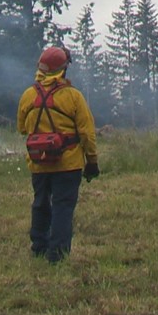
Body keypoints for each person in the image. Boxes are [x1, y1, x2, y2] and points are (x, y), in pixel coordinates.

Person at [17, 46, 99, 263]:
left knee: (40, 204)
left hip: (38, 164)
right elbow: (87, 133)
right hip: (68, 164)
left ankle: (39, 249)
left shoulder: (28, 95)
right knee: (63, 207)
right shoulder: (73, 97)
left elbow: (22, 128)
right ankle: (58, 255)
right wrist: (92, 161)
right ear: (63, 70)